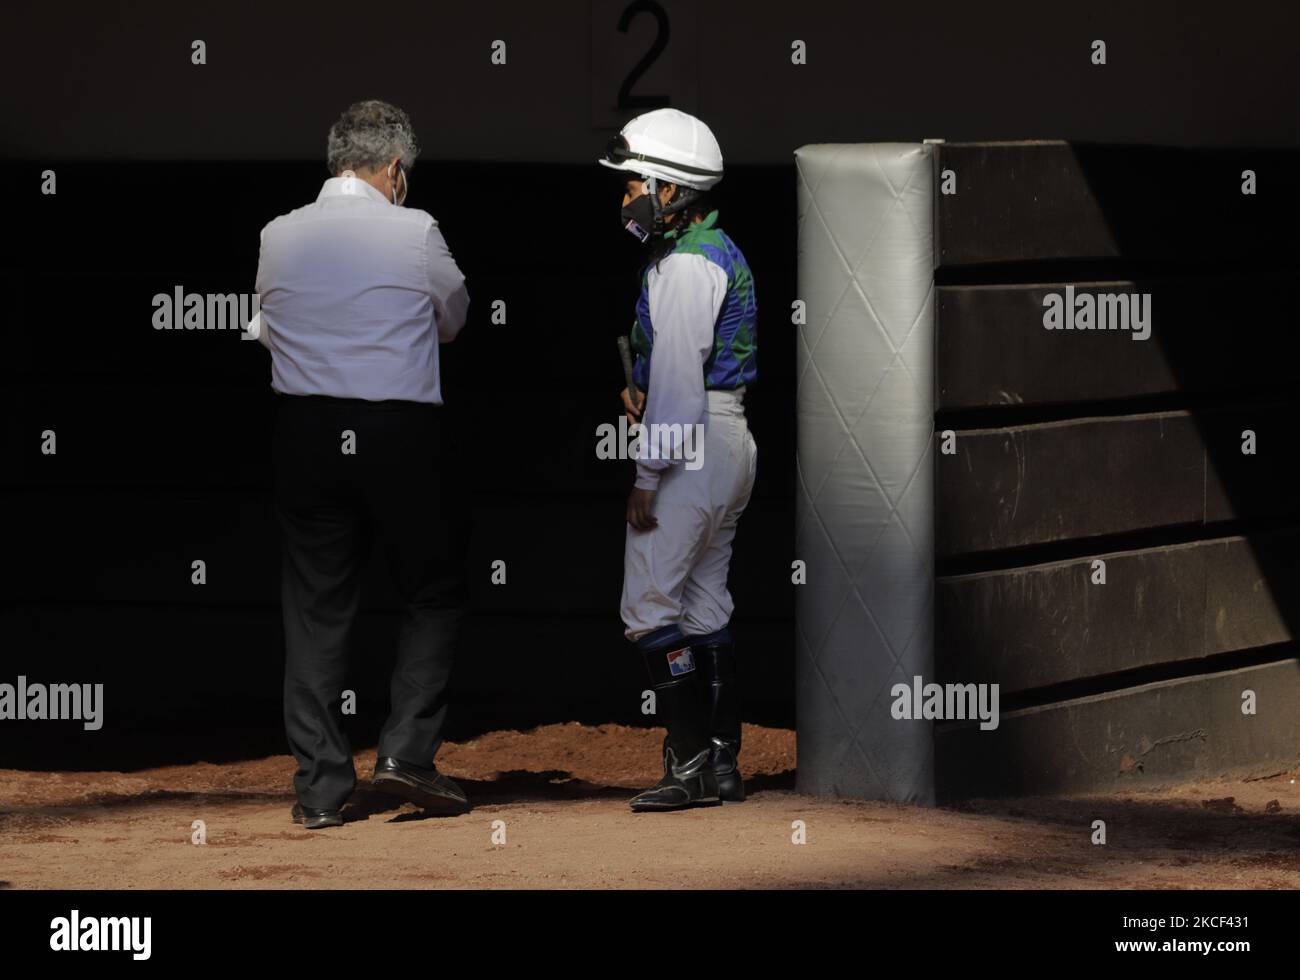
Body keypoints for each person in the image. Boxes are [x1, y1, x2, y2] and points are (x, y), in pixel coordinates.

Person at [254, 100, 470, 829]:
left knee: (314, 608)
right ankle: (406, 754)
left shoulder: (277, 233)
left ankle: (319, 790)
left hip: (304, 432)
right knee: (431, 591)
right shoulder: (416, 231)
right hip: (398, 432)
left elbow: (263, 328)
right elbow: (454, 320)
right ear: (396, 170)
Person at [599, 108, 759, 811]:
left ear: (669, 189)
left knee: (646, 606)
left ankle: (690, 764)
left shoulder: (689, 264)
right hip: (727, 442)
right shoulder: (702, 250)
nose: (624, 195)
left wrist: (645, 474)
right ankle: (721, 763)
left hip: (695, 444)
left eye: (633, 182)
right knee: (703, 605)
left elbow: (678, 385)